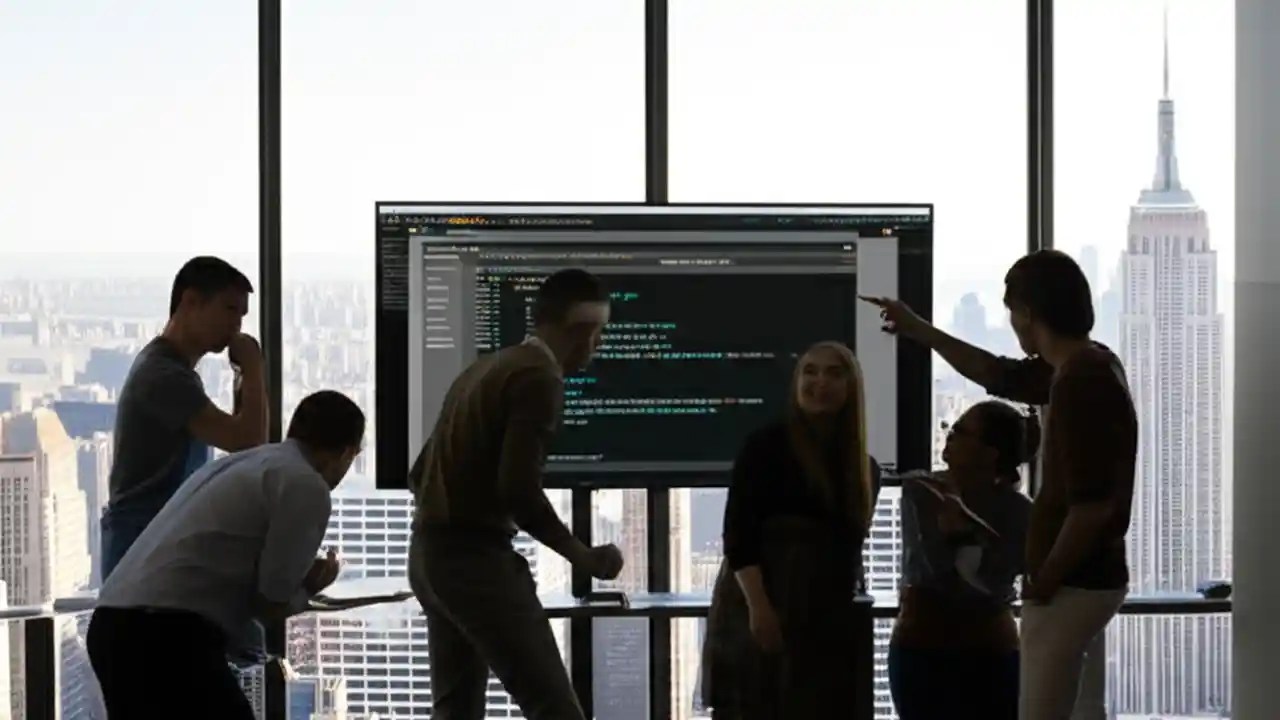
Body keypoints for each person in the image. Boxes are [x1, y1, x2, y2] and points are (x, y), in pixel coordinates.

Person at [862, 248, 1138, 720]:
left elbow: (1092, 506)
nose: (1012, 324)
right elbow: (999, 375)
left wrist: (1045, 578)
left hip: (1073, 582)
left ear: (1028, 314)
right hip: (1078, 580)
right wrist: (920, 330)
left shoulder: (1080, 379)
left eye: (1013, 313)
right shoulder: (1080, 366)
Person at [407, 268, 624, 720]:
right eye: (598, 332)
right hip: (475, 562)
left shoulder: (487, 367)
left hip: (429, 556)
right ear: (581, 332)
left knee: (455, 710)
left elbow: (418, 472)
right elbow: (519, 490)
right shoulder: (539, 377)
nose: (598, 344)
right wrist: (580, 556)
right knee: (554, 708)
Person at [87, 390, 363, 719]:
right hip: (165, 633)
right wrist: (310, 587)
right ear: (346, 453)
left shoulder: (243, 464)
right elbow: (270, 601)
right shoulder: (306, 485)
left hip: (113, 624)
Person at [701, 341, 882, 719]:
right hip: (762, 603)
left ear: (852, 387)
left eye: (835, 373)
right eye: (810, 371)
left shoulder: (864, 468)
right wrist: (760, 609)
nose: (820, 382)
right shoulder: (765, 447)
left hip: (823, 617)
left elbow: (847, 553)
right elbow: (739, 536)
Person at [100, 256, 268, 581]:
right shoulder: (164, 375)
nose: (237, 325)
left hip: (151, 542)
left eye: (242, 315)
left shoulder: (168, 368)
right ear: (190, 302)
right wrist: (253, 366)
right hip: (144, 548)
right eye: (229, 309)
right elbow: (247, 441)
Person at [888, 401, 1037, 720]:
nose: (950, 437)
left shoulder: (1019, 511)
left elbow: (991, 582)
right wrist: (972, 541)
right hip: (923, 647)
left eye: (961, 432)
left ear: (990, 452)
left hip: (991, 652)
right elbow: (934, 569)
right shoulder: (922, 489)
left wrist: (956, 535)